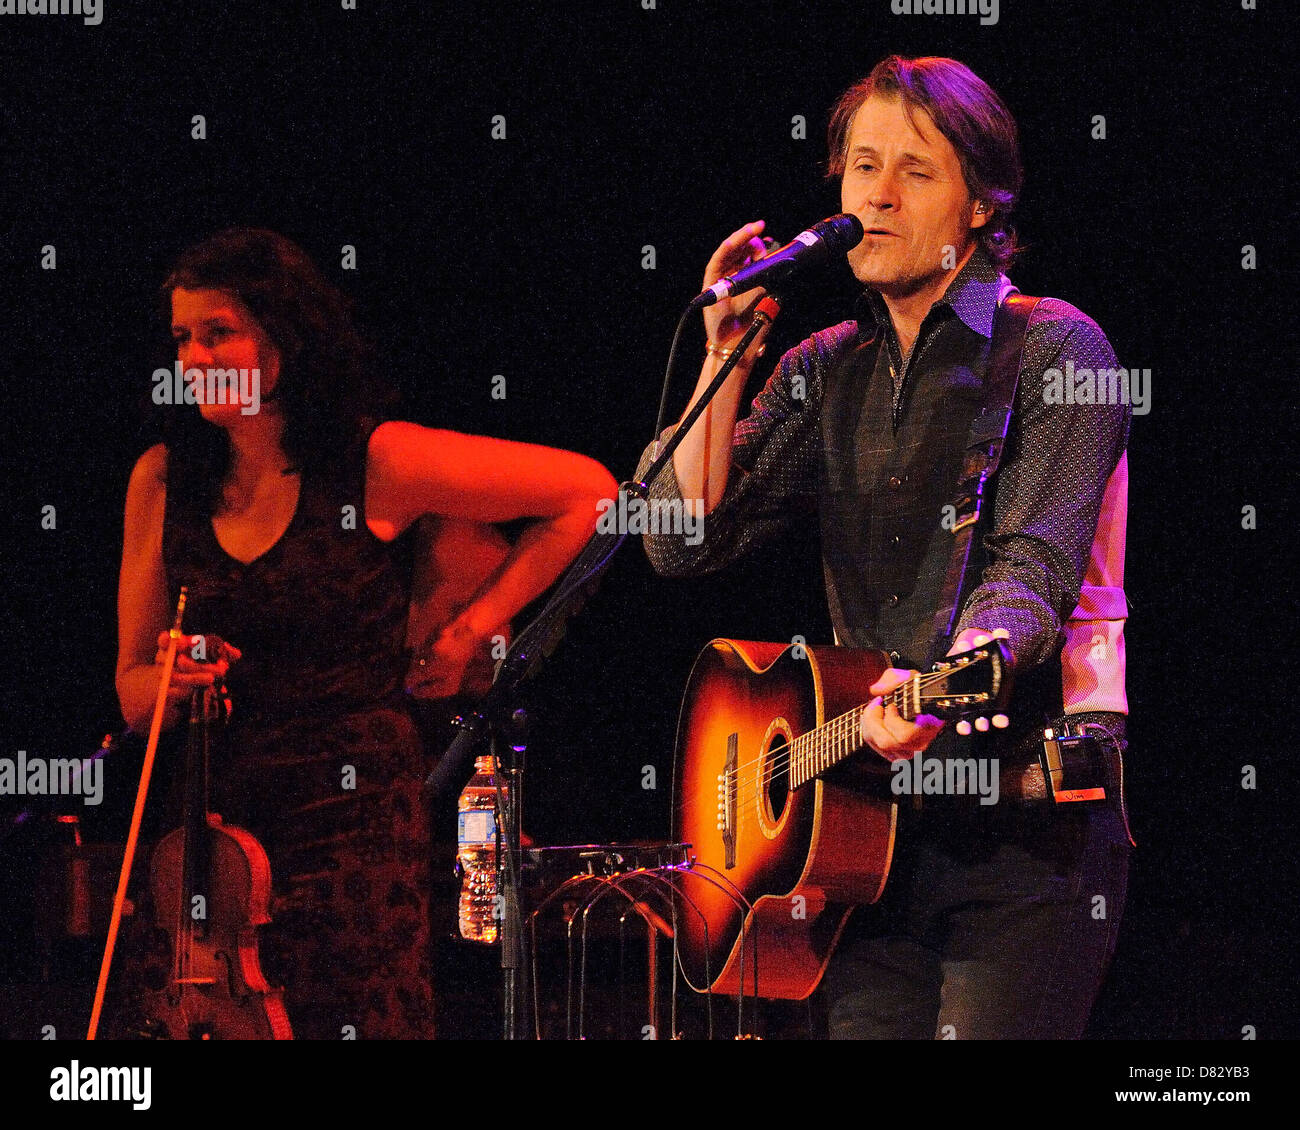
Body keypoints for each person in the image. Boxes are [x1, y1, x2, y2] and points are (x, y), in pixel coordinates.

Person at [637, 55, 1133, 1039]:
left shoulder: (1056, 349)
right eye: (862, 165)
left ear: (985, 203)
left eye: (915, 168)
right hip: (867, 830)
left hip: (1025, 827)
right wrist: (723, 358)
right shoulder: (825, 369)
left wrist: (950, 674)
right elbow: (675, 542)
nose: (878, 193)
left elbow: (1030, 576)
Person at [112, 227, 616, 1039]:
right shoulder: (163, 480)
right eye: (181, 339)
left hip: (351, 827)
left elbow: (588, 494)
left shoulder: (375, 461)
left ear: (283, 341)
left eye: (219, 333)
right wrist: (163, 686)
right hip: (214, 831)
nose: (193, 358)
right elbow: (132, 689)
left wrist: (471, 629)